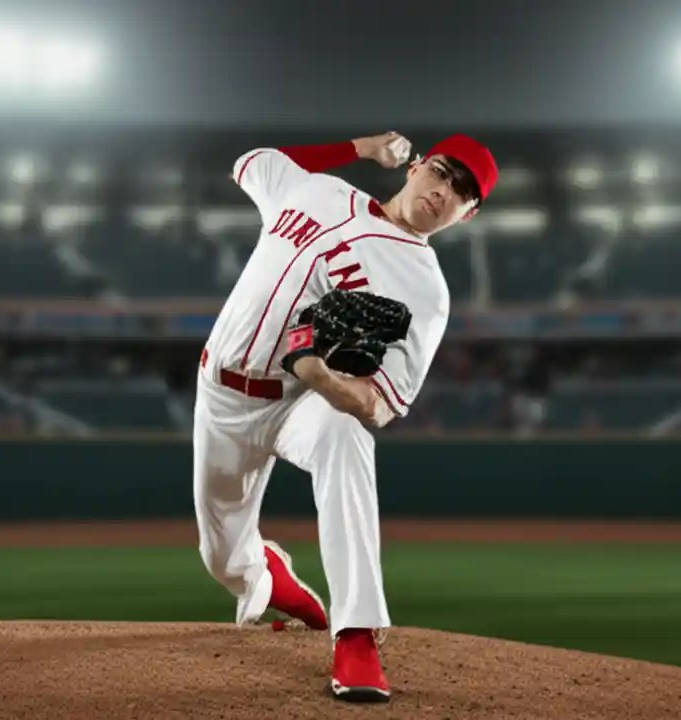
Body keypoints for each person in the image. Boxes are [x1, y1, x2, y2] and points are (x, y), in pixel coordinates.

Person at [193, 130, 497, 702]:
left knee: (346, 435)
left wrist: (321, 378)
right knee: (221, 559)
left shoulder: (425, 291)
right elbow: (250, 161)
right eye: (441, 172)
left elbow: (381, 403)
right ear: (416, 168)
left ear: (467, 215)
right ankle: (268, 577)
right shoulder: (316, 191)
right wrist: (358, 148)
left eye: (461, 191)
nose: (443, 190)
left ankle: (356, 633)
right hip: (222, 396)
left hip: (296, 401)